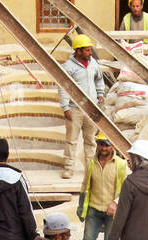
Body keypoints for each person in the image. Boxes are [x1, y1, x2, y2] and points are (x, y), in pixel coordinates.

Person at [57, 34, 104, 179]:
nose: (90, 53)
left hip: (91, 109)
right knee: (72, 140)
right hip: (75, 109)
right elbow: (63, 87)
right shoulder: (68, 67)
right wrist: (65, 107)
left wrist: (100, 93)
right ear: (78, 51)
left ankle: (91, 168)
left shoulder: (93, 64)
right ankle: (69, 168)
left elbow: (99, 79)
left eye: (90, 50)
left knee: (90, 140)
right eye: (87, 50)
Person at [79, 131, 126, 240]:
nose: (103, 148)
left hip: (112, 213)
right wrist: (81, 205)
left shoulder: (121, 165)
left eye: (107, 145)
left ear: (113, 146)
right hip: (94, 209)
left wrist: (116, 203)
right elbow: (85, 184)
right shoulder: (91, 163)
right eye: (101, 144)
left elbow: (127, 189)